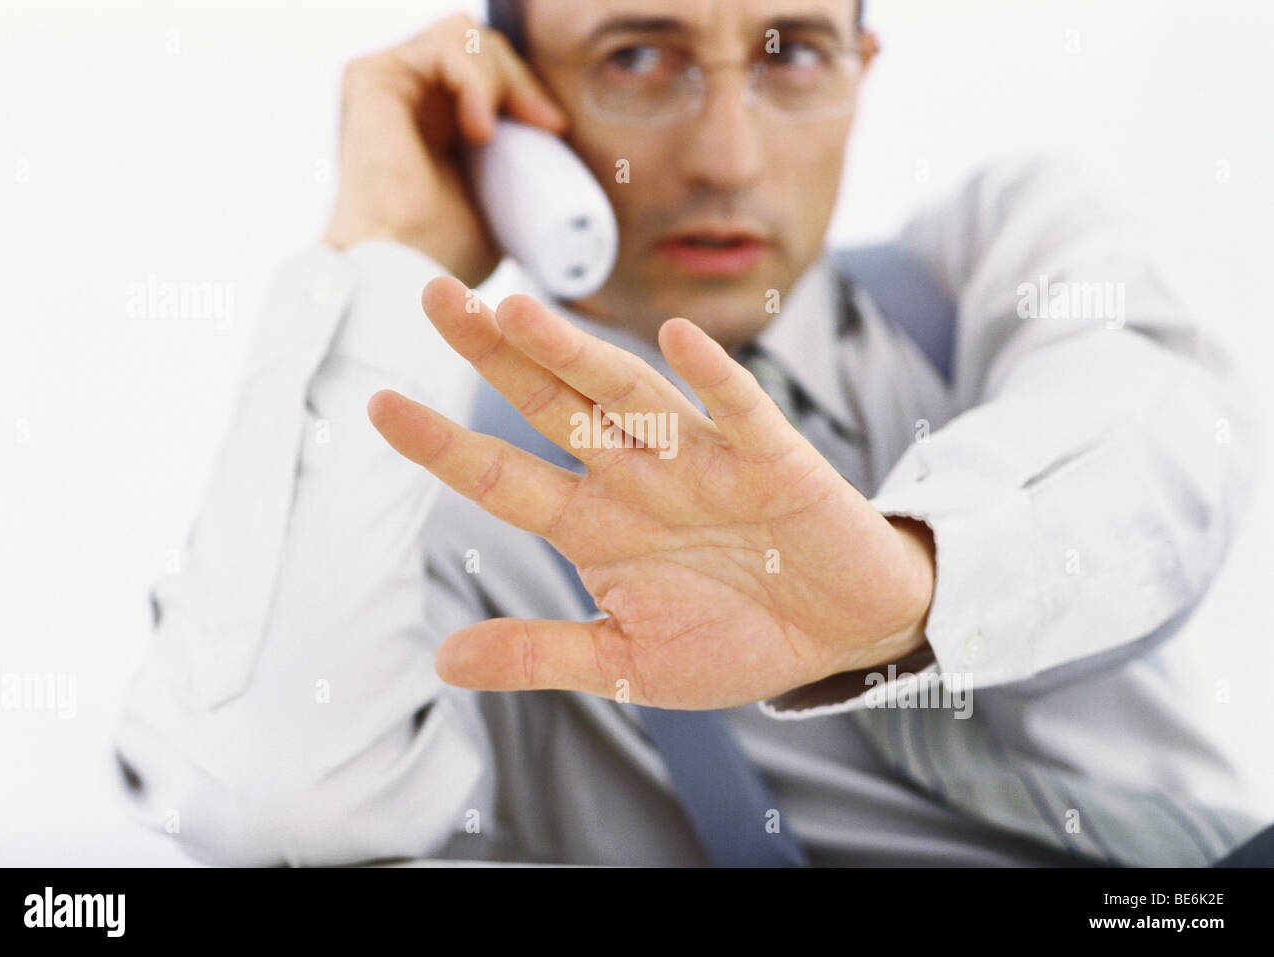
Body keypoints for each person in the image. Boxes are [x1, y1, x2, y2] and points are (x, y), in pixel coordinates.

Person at [111, 0, 1269, 866]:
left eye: (792, 52)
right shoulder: (440, 514)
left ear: (861, 72)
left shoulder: (989, 265)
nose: (728, 157)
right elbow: (265, 803)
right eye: (637, 57)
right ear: (511, 117)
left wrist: (910, 582)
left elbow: (1167, 455)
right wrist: (384, 254)